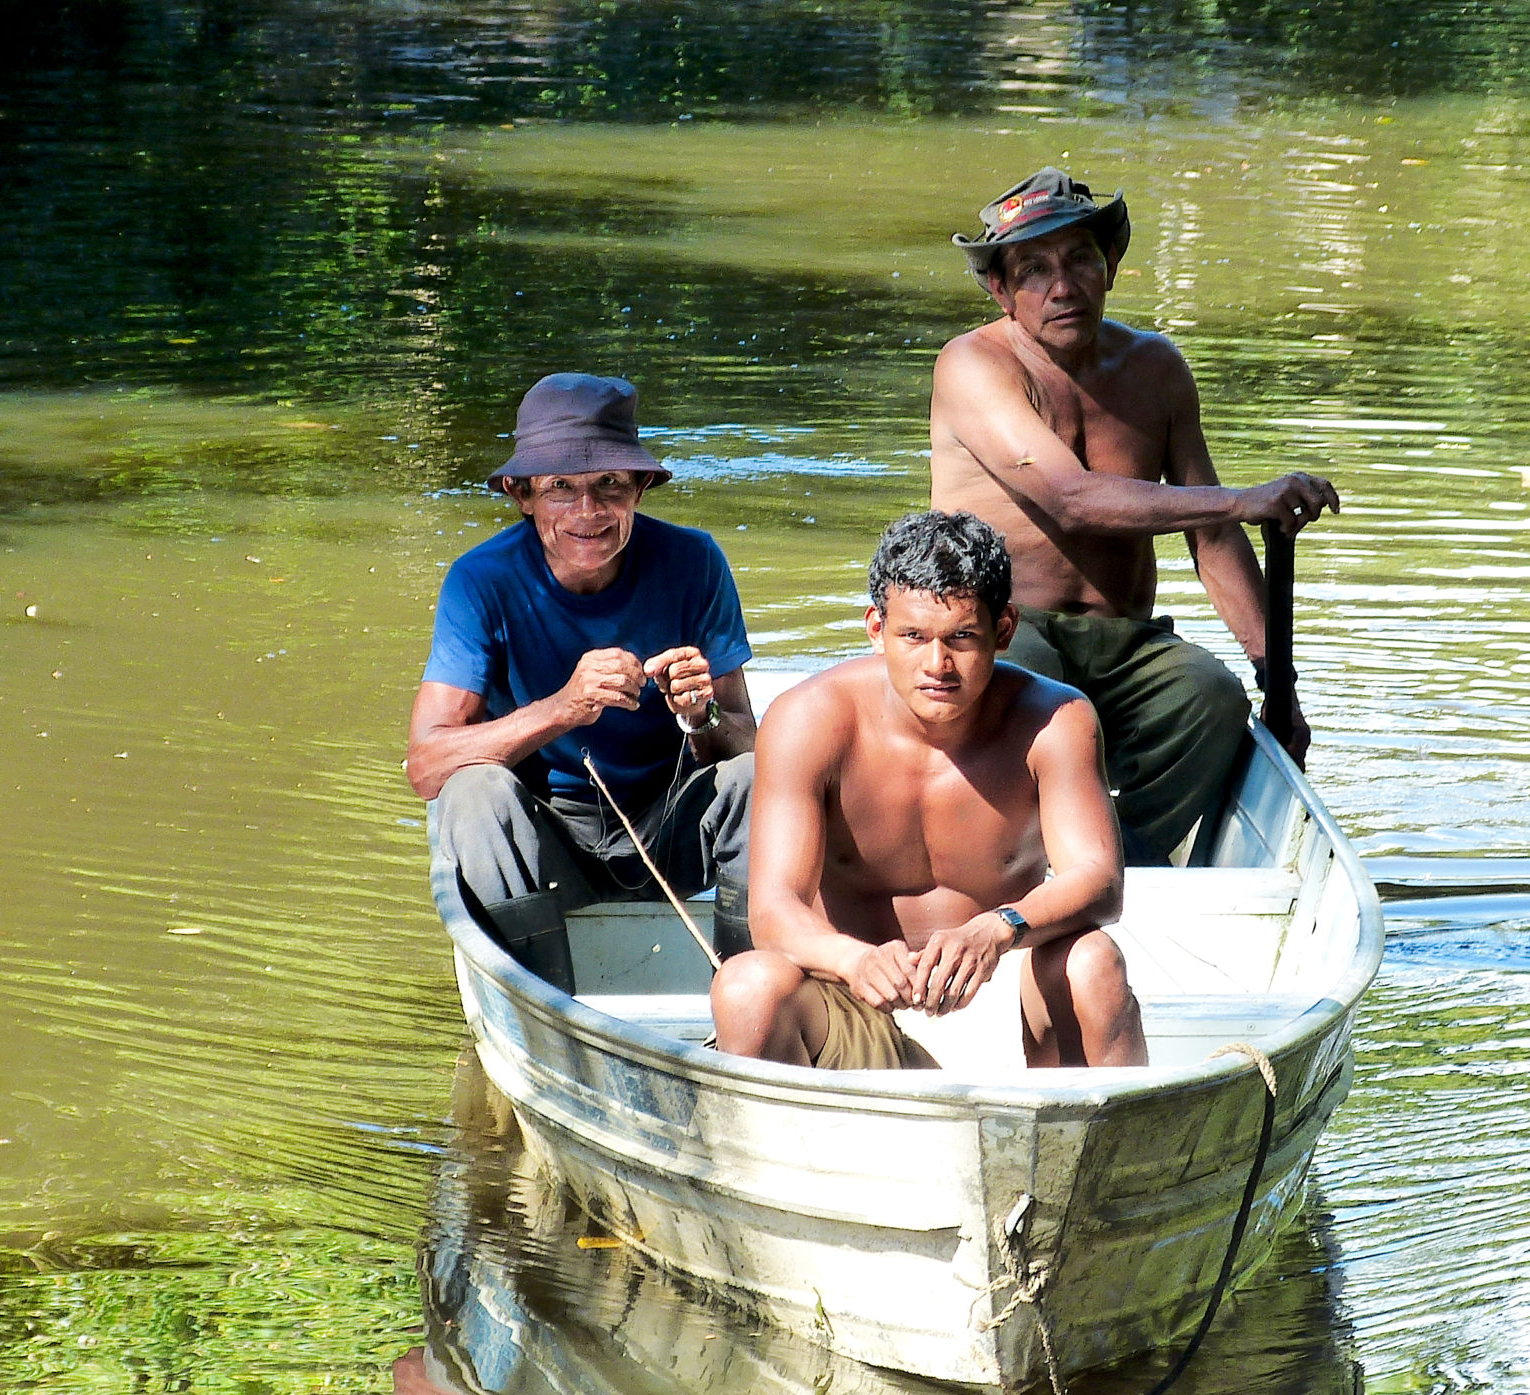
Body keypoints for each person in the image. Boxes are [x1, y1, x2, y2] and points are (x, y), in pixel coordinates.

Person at [932, 166, 1342, 863]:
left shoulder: (1156, 368)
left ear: (1111, 266)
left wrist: (1278, 681)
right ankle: (1019, 854)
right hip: (1005, 627)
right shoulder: (972, 365)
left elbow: (1210, 536)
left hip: (1123, 640)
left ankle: (1128, 861)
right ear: (1000, 290)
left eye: (1081, 259)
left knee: (1211, 697)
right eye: (1033, 269)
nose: (1063, 286)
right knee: (1026, 689)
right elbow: (1072, 498)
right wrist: (1245, 499)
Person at [709, 511, 1144, 1071]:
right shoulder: (807, 720)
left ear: (1004, 630)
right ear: (875, 629)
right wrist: (855, 961)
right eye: (912, 636)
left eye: (962, 637)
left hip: (1006, 994)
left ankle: (1117, 1152)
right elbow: (773, 912)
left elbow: (1100, 883)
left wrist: (999, 928)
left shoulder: (1055, 719)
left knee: (1094, 962)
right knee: (747, 985)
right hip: (857, 1003)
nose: (936, 665)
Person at [407, 372, 757, 992]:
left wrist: (699, 716)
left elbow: (748, 748)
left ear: (640, 489)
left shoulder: (695, 562)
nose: (587, 512)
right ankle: (545, 1002)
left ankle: (749, 987)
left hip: (669, 826)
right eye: (561, 489)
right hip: (548, 847)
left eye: (609, 486)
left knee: (760, 779)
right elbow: (427, 764)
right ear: (522, 494)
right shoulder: (480, 581)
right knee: (474, 793)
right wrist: (564, 708)